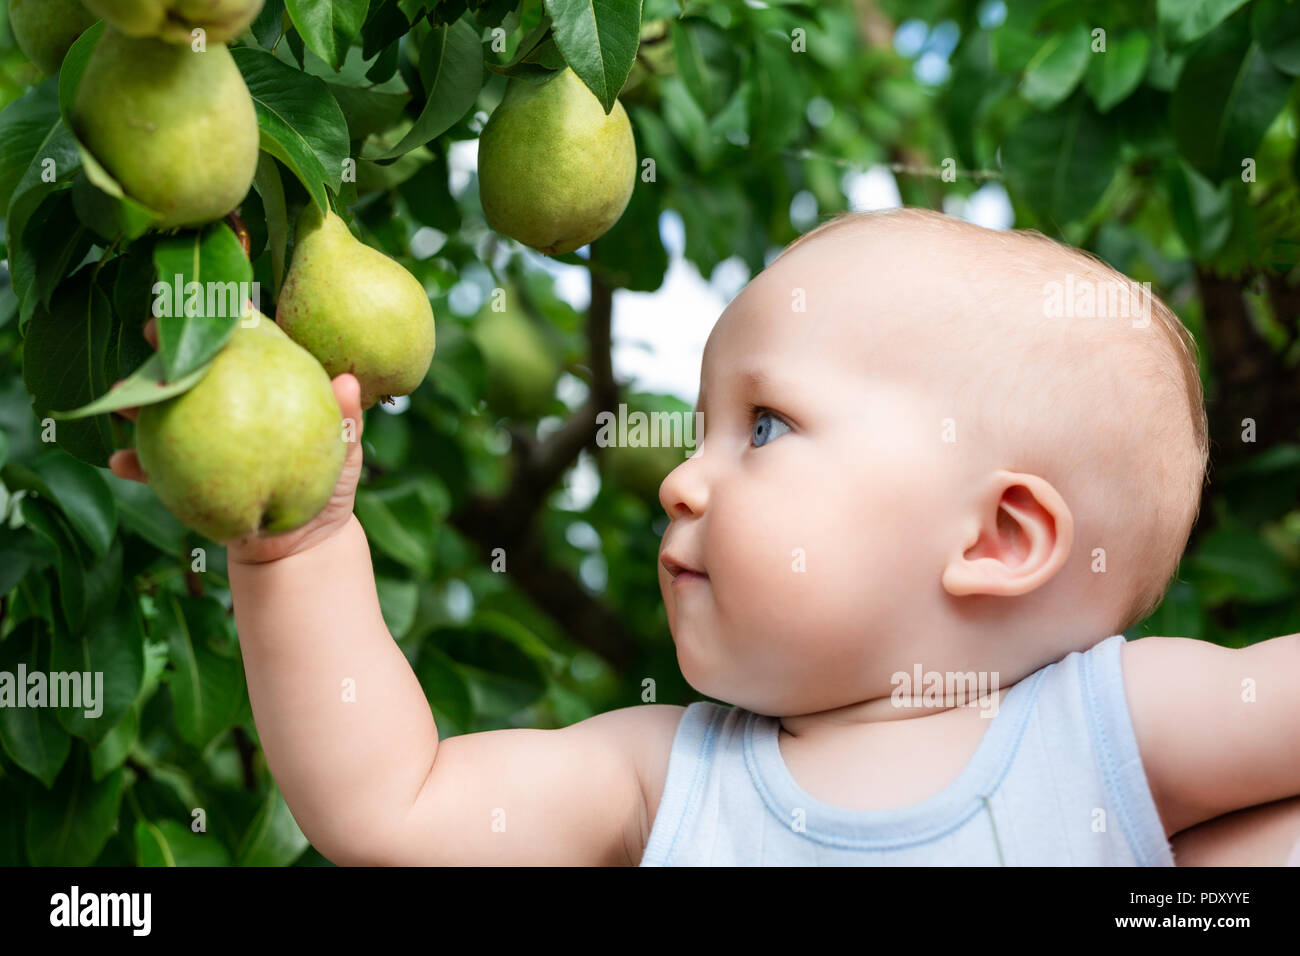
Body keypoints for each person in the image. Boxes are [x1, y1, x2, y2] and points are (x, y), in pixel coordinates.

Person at [109, 207, 1300, 865]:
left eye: (764, 424)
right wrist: (300, 545)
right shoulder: (665, 775)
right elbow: (392, 804)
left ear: (995, 536)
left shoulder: (1105, 733)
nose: (680, 477)